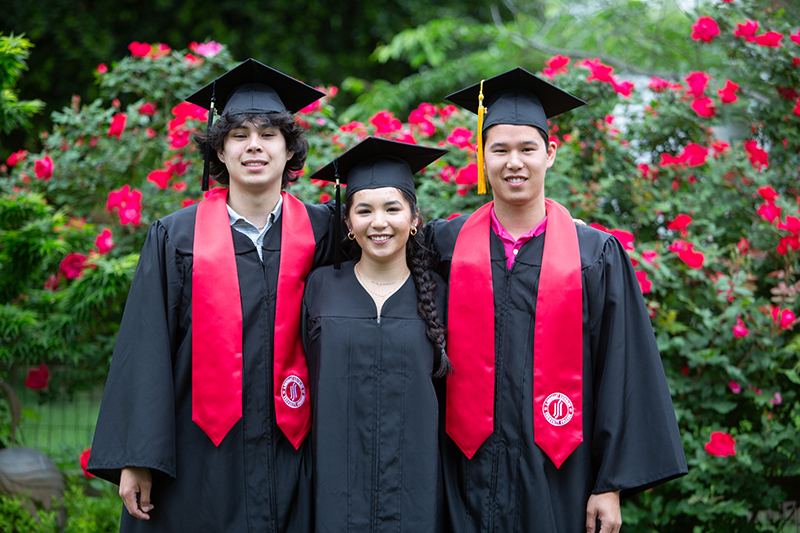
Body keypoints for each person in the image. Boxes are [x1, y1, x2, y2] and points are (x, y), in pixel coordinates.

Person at [425, 68, 688, 533]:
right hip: (461, 472)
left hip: (559, 474)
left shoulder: (594, 256)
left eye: (527, 149)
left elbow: (622, 368)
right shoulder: (444, 246)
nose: (514, 163)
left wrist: (609, 485)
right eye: (500, 150)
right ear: (482, 157)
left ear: (550, 153)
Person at [87, 59, 336, 532]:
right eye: (239, 135)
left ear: (289, 151)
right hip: (199, 454)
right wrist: (138, 457)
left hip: (298, 450)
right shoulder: (176, 237)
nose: (254, 147)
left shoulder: (324, 233)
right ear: (219, 151)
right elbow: (146, 349)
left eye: (268, 135)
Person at [302, 137, 450, 532]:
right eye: (364, 210)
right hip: (333, 489)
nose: (379, 222)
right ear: (348, 223)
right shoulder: (320, 288)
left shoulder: (439, 292)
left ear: (415, 218)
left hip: (419, 490)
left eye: (392, 209)